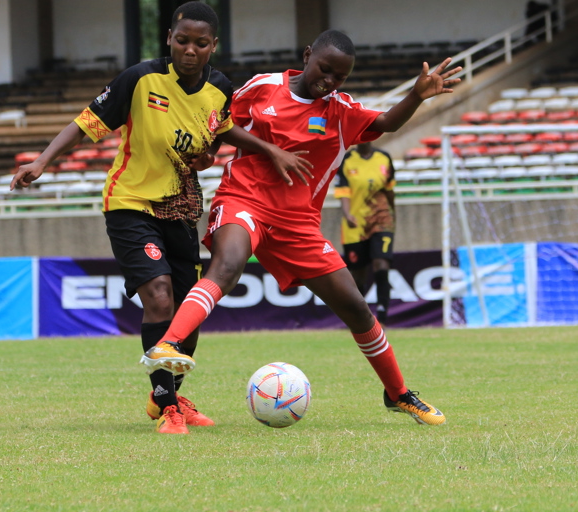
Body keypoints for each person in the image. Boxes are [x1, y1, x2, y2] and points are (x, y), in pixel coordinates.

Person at [10, 2, 311, 435]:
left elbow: (220, 128)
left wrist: (251, 150)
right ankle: (169, 407)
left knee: (190, 307)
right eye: (182, 40)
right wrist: (41, 161)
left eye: (200, 43)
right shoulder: (140, 79)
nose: (190, 50)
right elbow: (85, 123)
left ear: (213, 46)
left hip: (181, 209)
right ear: (169, 38)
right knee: (159, 296)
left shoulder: (220, 87)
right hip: (130, 203)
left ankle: (167, 394)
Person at [143, 29, 461, 425]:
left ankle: (397, 394)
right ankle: (169, 345)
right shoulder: (263, 87)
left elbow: (386, 123)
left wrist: (416, 95)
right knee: (227, 265)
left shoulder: (340, 111)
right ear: (308, 55)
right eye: (325, 69)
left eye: (340, 77)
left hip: (298, 224)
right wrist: (211, 151)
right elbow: (221, 122)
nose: (329, 81)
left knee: (356, 307)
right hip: (244, 199)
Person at [334, 141, 397, 323]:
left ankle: (382, 318)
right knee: (358, 274)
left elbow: (389, 190)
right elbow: (343, 192)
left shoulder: (383, 158)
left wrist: (393, 215)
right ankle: (362, 319)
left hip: (381, 220)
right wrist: (347, 214)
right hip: (355, 224)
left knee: (381, 264)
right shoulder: (346, 160)